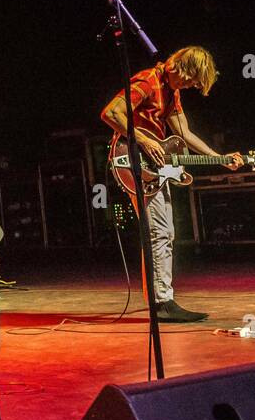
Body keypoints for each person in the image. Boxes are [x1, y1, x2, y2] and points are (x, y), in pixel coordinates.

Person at [100, 46, 242, 322]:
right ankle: (160, 302)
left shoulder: (170, 91)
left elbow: (184, 133)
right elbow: (111, 113)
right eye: (189, 80)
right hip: (134, 160)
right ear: (180, 66)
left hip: (155, 165)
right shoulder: (147, 81)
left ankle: (162, 298)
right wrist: (143, 139)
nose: (189, 86)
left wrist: (218, 158)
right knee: (158, 233)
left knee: (164, 232)